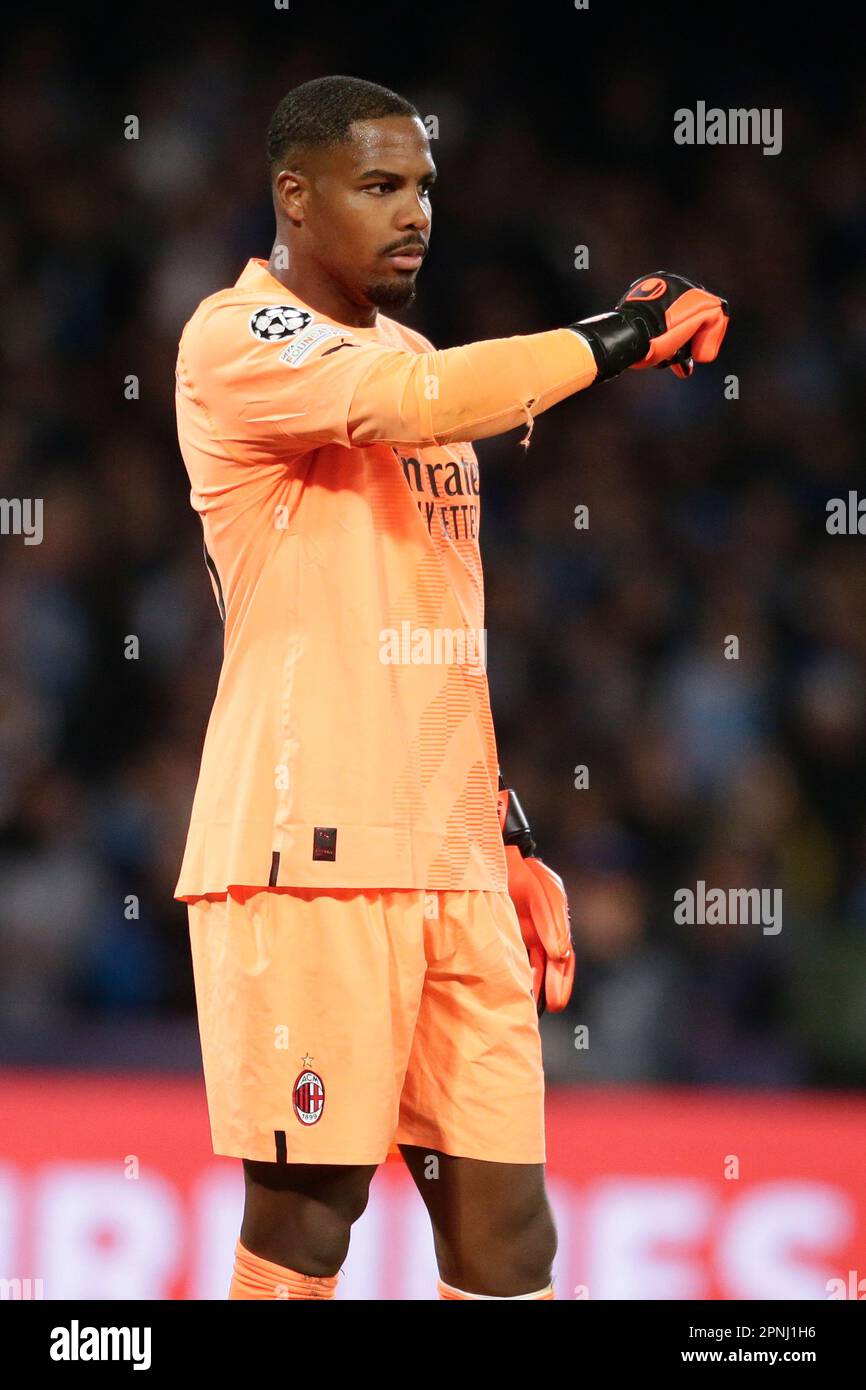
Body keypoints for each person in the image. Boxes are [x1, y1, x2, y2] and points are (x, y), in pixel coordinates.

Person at [174, 73, 729, 1301]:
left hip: (451, 859)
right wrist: (617, 333)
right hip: (307, 852)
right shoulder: (233, 335)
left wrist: (490, 818)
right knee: (310, 1218)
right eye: (379, 186)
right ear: (295, 196)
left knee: (505, 1237)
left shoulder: (423, 355)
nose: (414, 210)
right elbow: (404, 405)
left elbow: (423, 612)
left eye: (423, 186)